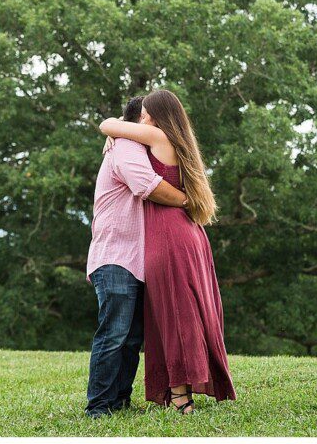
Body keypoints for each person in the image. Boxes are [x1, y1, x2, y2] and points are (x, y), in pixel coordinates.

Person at [98, 88, 237, 414]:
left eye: (147, 113)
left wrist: (114, 132)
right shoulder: (181, 140)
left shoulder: (156, 135)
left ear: (157, 116)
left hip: (168, 234)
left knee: (173, 314)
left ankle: (179, 396)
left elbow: (106, 124)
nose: (143, 119)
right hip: (189, 232)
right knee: (186, 311)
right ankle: (182, 390)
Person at [84, 96, 189, 419]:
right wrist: (189, 201)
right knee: (114, 333)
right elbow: (148, 186)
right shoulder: (127, 147)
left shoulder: (132, 144)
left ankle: (119, 400)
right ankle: (99, 406)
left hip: (136, 257)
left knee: (130, 337)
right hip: (116, 255)